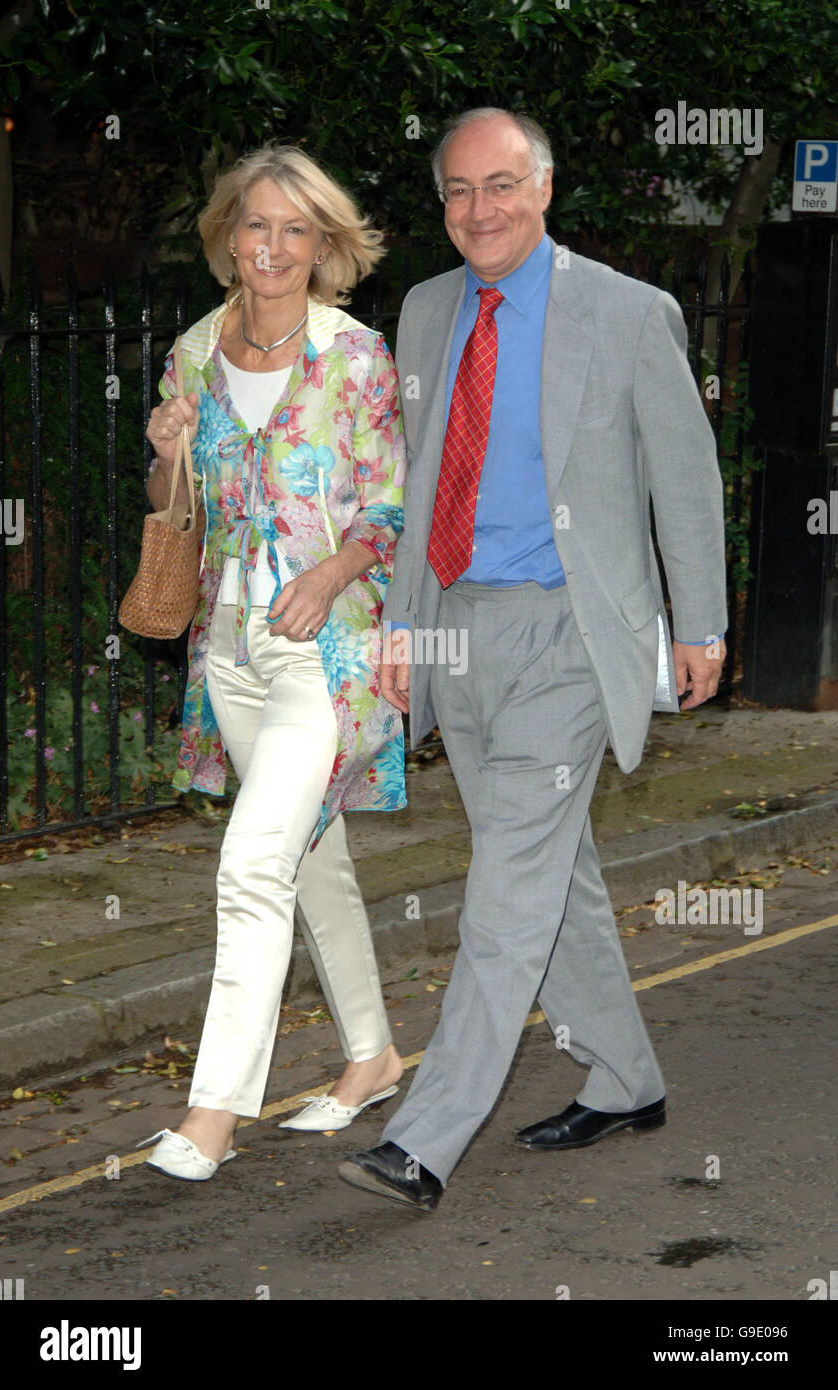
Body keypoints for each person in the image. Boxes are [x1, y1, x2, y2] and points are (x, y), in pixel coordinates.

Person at [338, 108, 727, 1212]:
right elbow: (416, 491)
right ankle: (625, 1078)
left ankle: (424, 1137)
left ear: (543, 189)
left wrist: (699, 622)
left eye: (500, 185)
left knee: (504, 889)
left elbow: (684, 480)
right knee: (553, 872)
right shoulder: (421, 310)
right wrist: (404, 627)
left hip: (568, 630)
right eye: (458, 192)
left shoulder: (625, 309)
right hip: (458, 625)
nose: (479, 211)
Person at [135, 143, 407, 1181]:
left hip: (325, 656)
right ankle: (372, 1053)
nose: (275, 246)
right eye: (258, 224)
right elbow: (178, 516)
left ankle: (210, 1113)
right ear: (227, 236)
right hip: (232, 655)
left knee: (252, 867)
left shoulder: (355, 357)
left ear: (325, 246)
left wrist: (333, 570)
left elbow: (387, 508)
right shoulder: (195, 353)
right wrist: (166, 452)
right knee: (310, 857)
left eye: (298, 229)